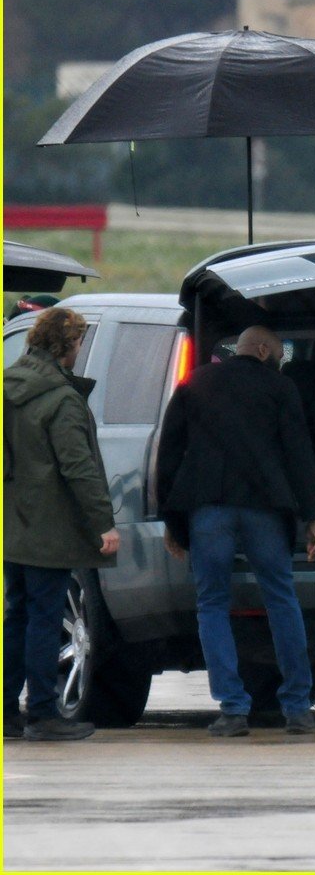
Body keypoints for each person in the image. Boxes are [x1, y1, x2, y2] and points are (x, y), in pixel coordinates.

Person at [157, 325, 315, 738]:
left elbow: (170, 451)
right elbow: (298, 452)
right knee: (281, 599)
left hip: (208, 509)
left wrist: (172, 519)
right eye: (280, 353)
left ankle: (233, 709)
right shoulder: (280, 388)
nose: (282, 360)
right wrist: (312, 515)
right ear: (264, 350)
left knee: (212, 603)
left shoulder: (195, 382)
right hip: (265, 509)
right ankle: (297, 707)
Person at [4, 308, 119, 741]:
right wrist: (103, 524)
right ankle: (43, 712)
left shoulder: (7, 386)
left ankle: (5, 710)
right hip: (50, 529)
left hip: (11, 524)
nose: (78, 350)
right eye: (77, 342)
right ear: (65, 345)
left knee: (16, 616)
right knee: (44, 619)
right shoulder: (61, 399)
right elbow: (78, 466)